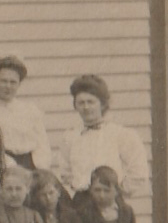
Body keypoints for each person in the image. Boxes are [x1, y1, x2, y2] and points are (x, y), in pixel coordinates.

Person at [63, 73, 152, 202]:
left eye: (91, 102)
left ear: (103, 104)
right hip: (81, 205)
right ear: (75, 106)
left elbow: (138, 172)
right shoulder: (70, 137)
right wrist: (77, 186)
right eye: (81, 103)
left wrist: (115, 192)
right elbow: (65, 173)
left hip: (111, 203)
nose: (86, 107)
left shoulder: (121, 135)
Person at [0, 56, 54, 172]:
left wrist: (41, 167)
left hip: (31, 163)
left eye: (13, 82)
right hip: (2, 164)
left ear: (19, 84)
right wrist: (11, 167)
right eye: (3, 81)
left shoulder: (30, 109)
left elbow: (42, 143)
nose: (8, 86)